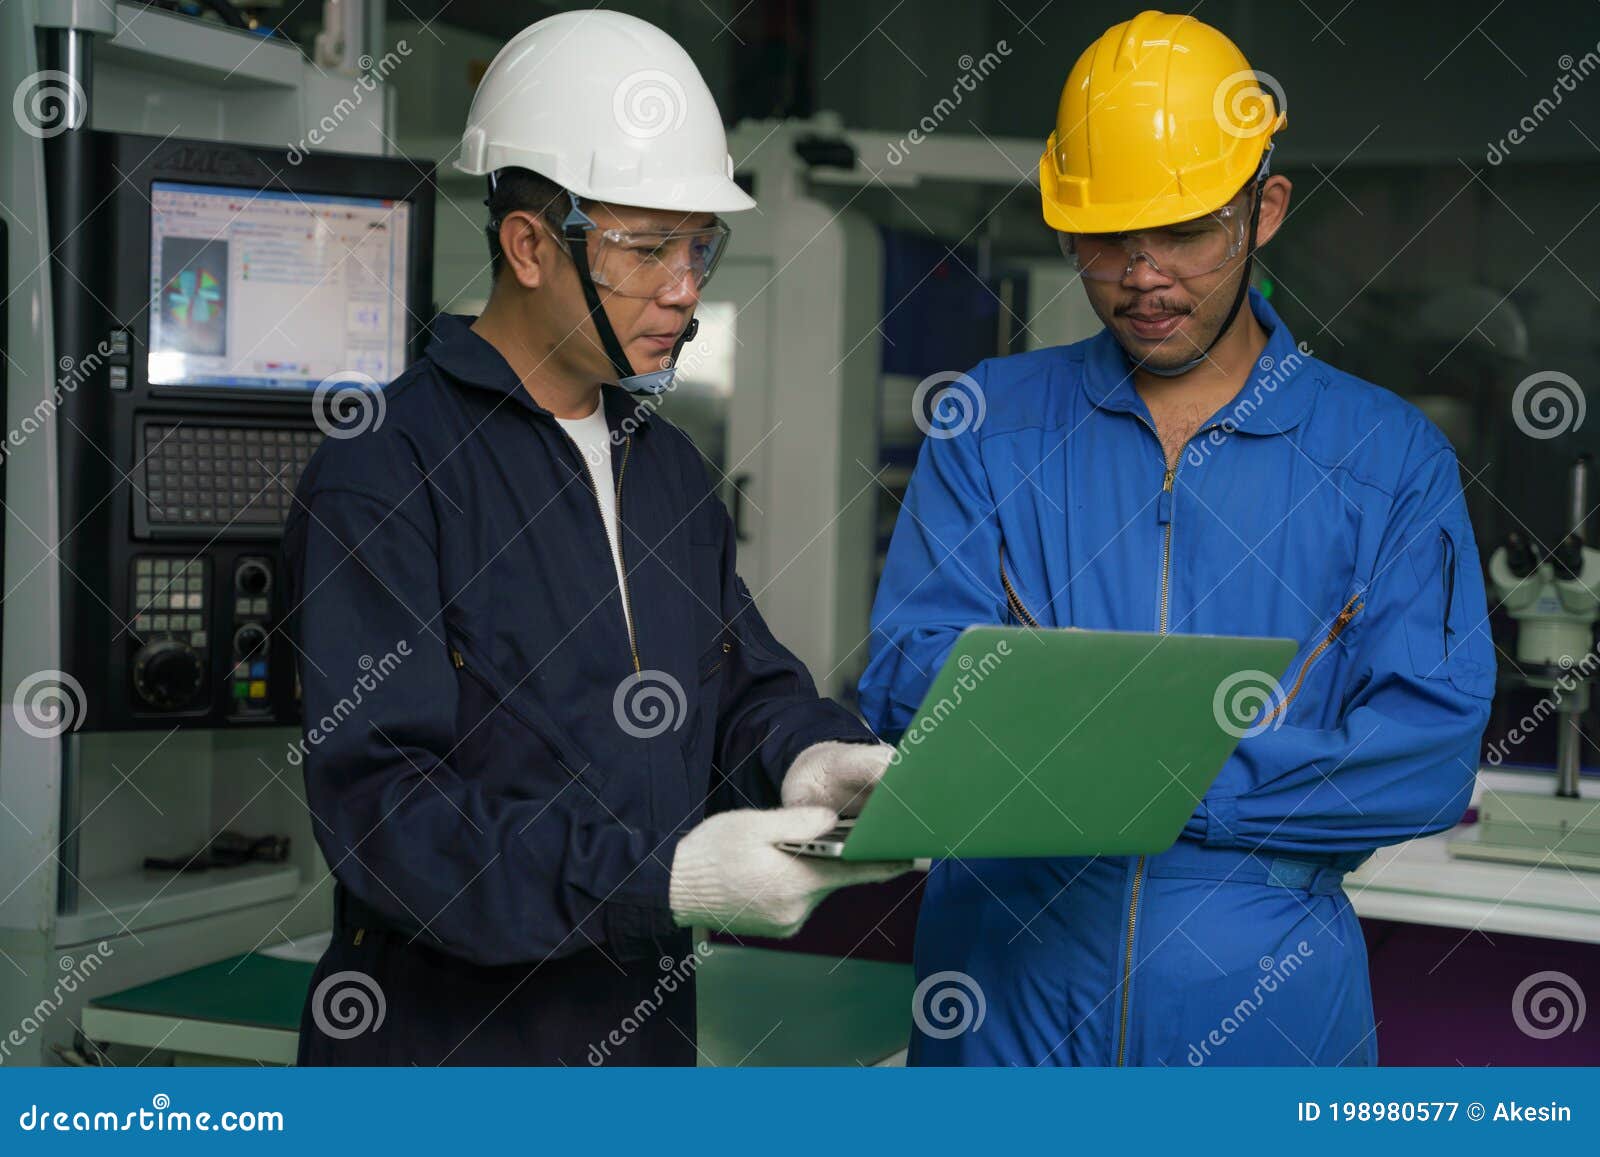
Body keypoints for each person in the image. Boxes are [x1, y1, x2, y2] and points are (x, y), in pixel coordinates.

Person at [858, 10, 1493, 1066]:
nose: (1144, 276)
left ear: (1264, 210)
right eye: (1109, 237)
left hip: (1264, 1015)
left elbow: (1420, 759)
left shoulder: (1386, 458)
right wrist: (1205, 762)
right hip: (1001, 1000)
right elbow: (908, 681)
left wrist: (1155, 781)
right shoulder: (988, 421)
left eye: (1188, 230)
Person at [283, 10, 905, 1067]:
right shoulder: (387, 466)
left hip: (641, 1036)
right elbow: (390, 814)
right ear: (528, 243)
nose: (684, 286)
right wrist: (664, 878)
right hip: (444, 1055)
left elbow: (737, 681)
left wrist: (810, 752)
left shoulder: (660, 461)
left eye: (698, 245)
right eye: (645, 246)